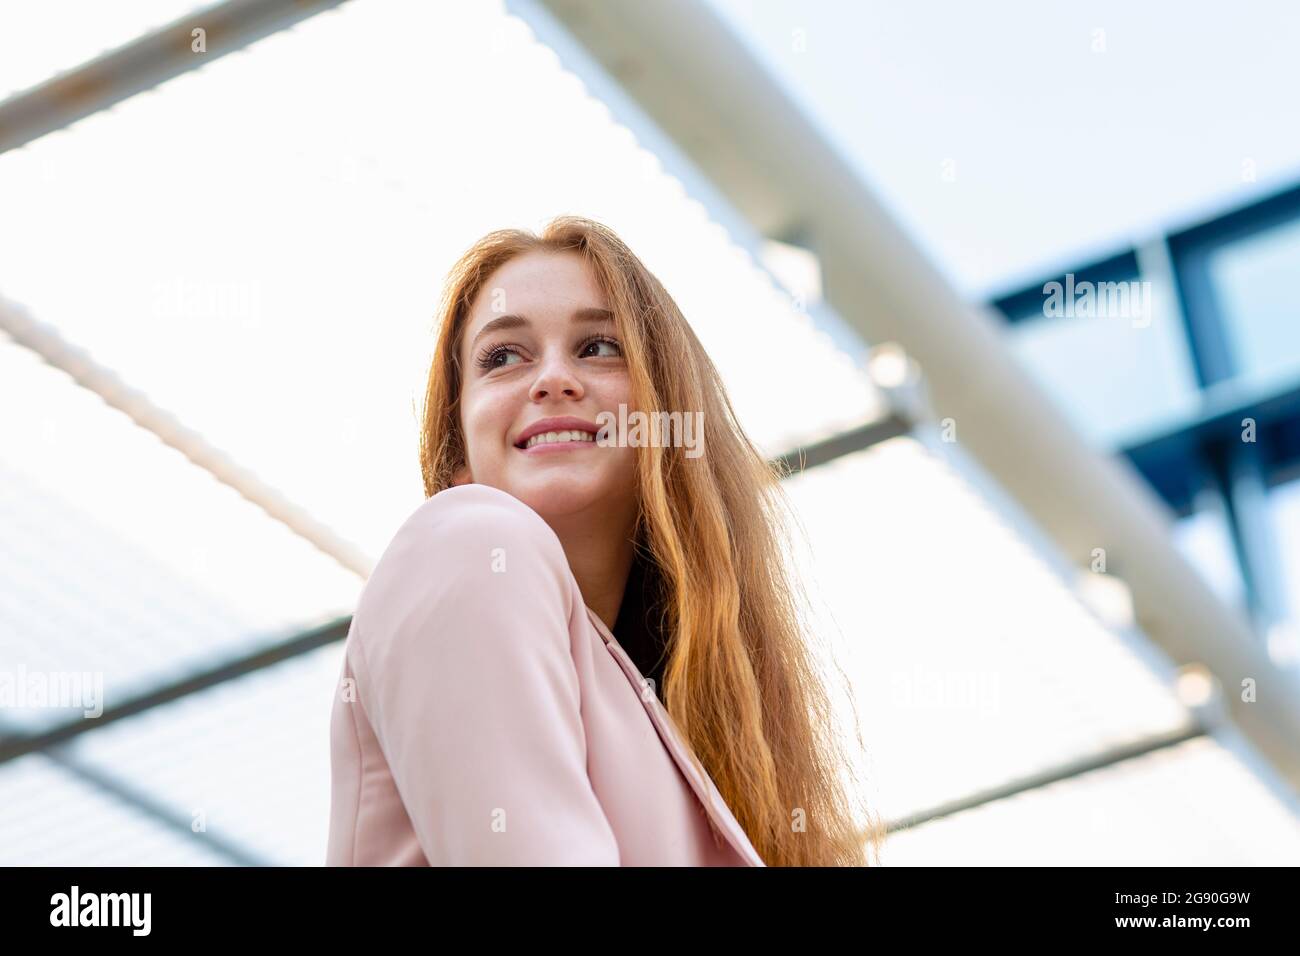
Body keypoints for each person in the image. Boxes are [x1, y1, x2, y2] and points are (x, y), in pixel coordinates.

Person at [326, 216, 882, 866]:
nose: (552, 379)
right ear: (458, 461)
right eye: (503, 357)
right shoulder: (470, 539)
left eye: (597, 347)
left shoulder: (667, 718)